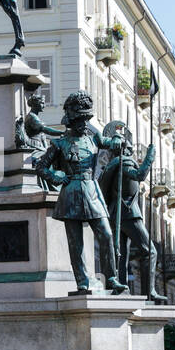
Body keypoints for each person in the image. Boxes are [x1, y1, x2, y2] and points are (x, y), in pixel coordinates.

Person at [35, 91, 126, 295]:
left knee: (106, 234)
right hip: (71, 193)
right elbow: (41, 167)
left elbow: (111, 143)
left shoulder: (94, 138)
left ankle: (111, 279)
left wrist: (119, 141)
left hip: (92, 191)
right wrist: (57, 177)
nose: (85, 123)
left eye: (87, 119)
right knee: (76, 243)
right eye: (81, 119)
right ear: (72, 120)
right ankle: (82, 281)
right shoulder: (59, 143)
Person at [98, 131, 162, 301]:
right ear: (127, 149)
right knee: (150, 252)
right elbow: (139, 175)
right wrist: (150, 157)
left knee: (121, 254)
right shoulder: (125, 163)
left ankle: (120, 286)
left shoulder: (112, 164)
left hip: (115, 213)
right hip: (128, 213)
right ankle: (150, 292)